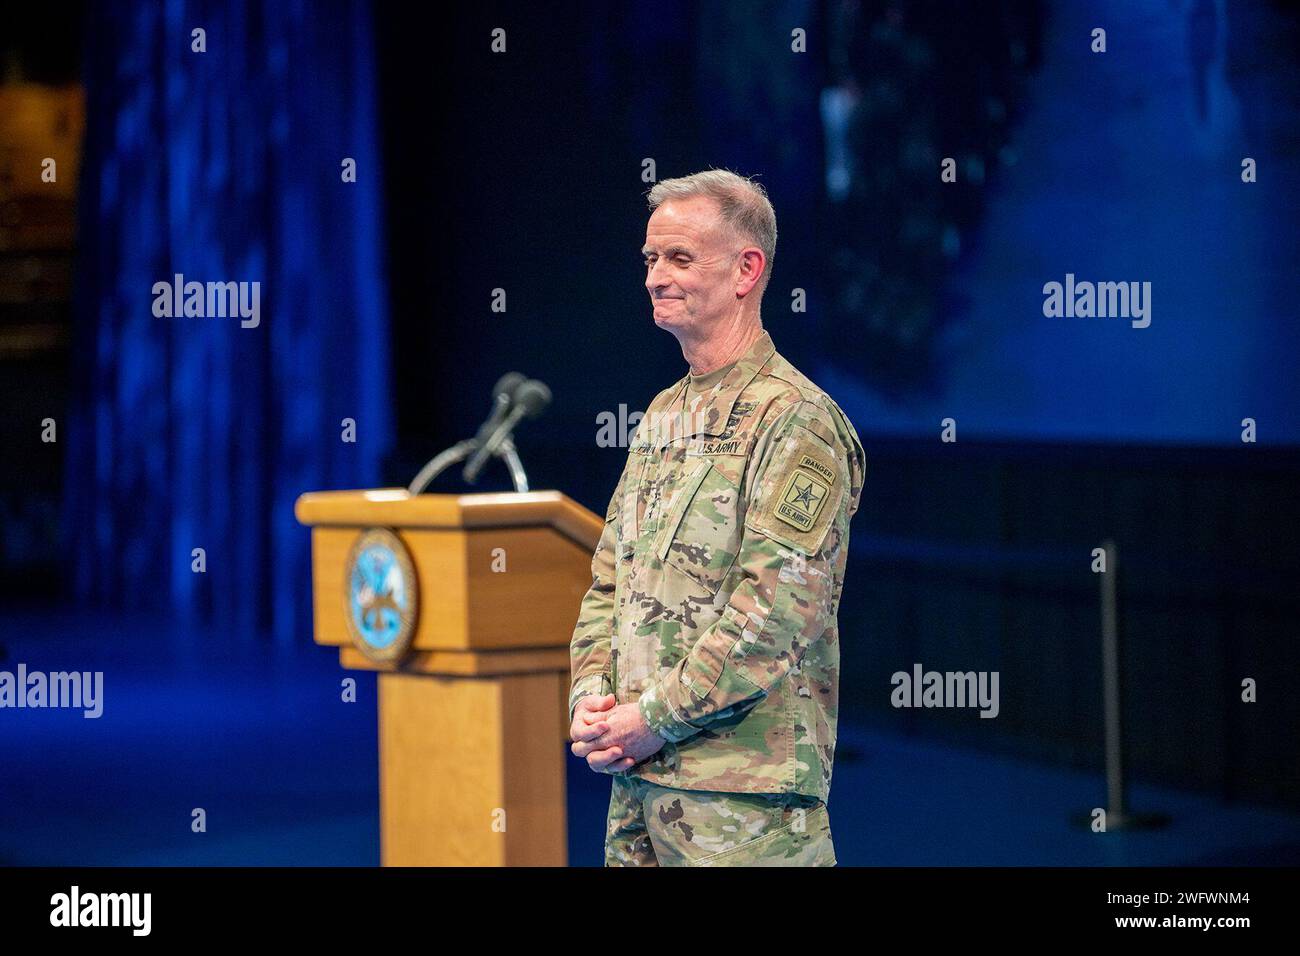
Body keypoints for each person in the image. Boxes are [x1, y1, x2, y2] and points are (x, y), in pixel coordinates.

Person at [568, 169, 866, 866]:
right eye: (649, 259)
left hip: (742, 800)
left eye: (678, 258)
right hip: (638, 784)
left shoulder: (797, 420)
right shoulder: (665, 414)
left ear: (746, 270)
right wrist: (592, 700)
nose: (654, 277)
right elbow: (609, 578)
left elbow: (776, 610)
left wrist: (650, 720)